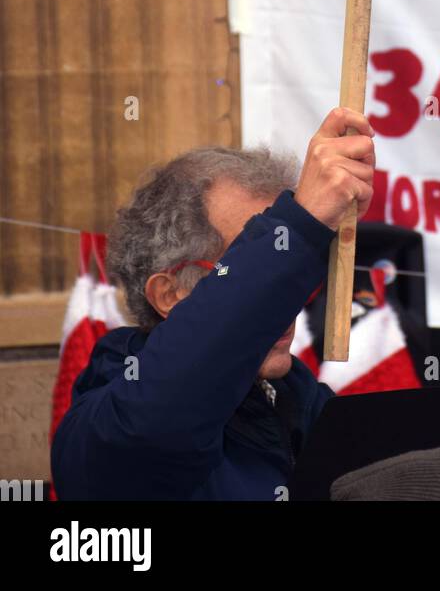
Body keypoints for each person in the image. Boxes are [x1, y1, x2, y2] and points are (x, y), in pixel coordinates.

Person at [51, 108, 375, 501]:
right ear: (169, 294)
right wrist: (300, 223)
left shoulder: (303, 405)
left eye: (290, 276)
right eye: (247, 265)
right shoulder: (110, 429)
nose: (285, 306)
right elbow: (168, 405)